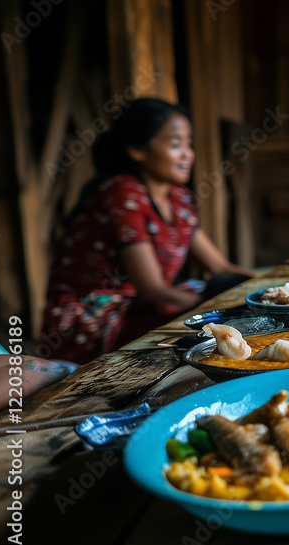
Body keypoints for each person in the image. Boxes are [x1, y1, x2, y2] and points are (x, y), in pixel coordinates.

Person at [39, 98, 252, 363]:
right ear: (137, 149)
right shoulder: (122, 192)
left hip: (143, 306)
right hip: (97, 320)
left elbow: (221, 268)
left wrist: (269, 292)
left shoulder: (178, 197)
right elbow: (153, 288)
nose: (188, 154)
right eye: (176, 144)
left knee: (226, 288)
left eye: (188, 143)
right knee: (219, 315)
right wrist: (215, 312)